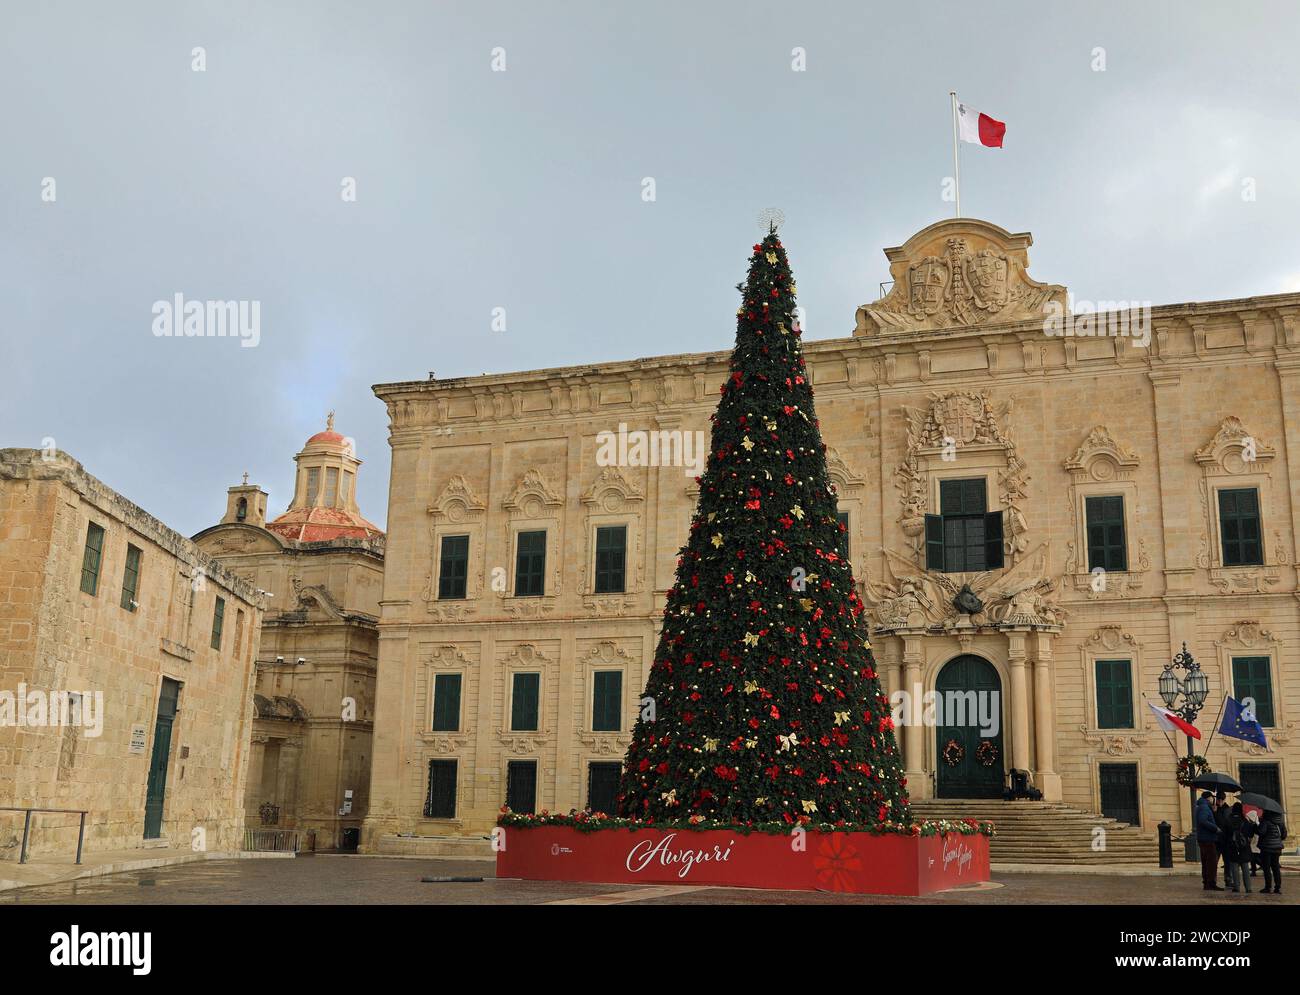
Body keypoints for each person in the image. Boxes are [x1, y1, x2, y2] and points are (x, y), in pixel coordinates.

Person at [1223, 802, 1256, 894]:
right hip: (1243, 847)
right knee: (1245, 867)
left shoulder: (1228, 820)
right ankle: (1248, 888)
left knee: (1234, 867)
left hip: (1232, 846)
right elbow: (1250, 833)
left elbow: (1224, 834)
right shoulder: (1244, 820)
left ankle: (1236, 887)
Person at [1195, 791, 1223, 891]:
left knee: (1207, 862)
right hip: (1208, 839)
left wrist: (1213, 812)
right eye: (1212, 797)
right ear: (1208, 798)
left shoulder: (1202, 806)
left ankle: (1207, 883)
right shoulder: (1204, 807)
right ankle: (1210, 883)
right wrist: (1215, 828)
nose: (1213, 799)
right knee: (1211, 863)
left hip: (1204, 838)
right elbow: (1203, 821)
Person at [1257, 811, 1288, 895]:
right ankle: (1277, 887)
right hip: (1277, 848)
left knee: (1266, 868)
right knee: (1276, 868)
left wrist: (1257, 825)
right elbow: (1284, 835)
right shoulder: (1280, 822)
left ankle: (1268, 887)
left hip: (1267, 848)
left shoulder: (1266, 821)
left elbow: (1261, 832)